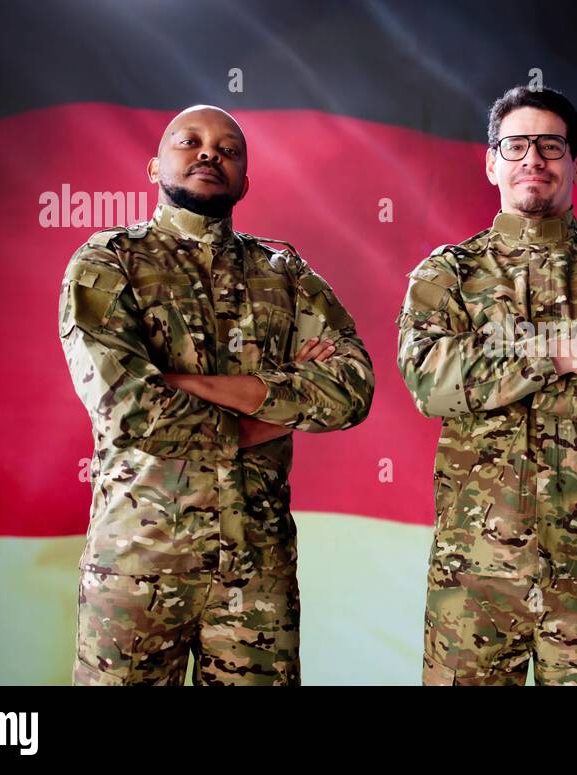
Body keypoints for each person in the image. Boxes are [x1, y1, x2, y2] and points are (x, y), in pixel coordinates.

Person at [59, 105, 374, 685]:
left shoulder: (285, 274)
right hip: (138, 563)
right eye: (190, 142)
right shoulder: (110, 261)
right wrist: (275, 411)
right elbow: (128, 406)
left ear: (245, 182)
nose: (209, 153)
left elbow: (351, 388)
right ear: (155, 166)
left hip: (257, 570)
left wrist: (188, 384)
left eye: (228, 150)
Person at [396, 86, 577, 685]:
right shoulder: (447, 273)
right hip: (473, 575)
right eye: (515, 145)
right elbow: (431, 382)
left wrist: (494, 378)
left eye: (550, 146)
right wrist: (565, 355)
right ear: (491, 163)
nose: (532, 158)